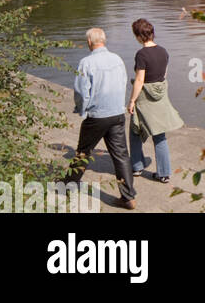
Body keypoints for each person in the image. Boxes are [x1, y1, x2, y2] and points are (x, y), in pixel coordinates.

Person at [63, 28, 137, 209]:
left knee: (83, 152)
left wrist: (82, 109)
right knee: (121, 156)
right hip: (117, 114)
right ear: (104, 41)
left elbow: (81, 92)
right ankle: (128, 197)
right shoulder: (118, 59)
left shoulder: (86, 62)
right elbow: (123, 83)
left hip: (97, 115)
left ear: (89, 42)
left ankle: (68, 185)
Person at [127, 19, 183, 183]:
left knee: (135, 130)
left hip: (145, 97)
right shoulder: (164, 51)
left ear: (138, 36)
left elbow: (139, 80)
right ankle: (164, 173)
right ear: (152, 33)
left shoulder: (141, 54)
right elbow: (163, 75)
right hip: (160, 96)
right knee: (159, 135)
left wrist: (131, 101)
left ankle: (137, 167)